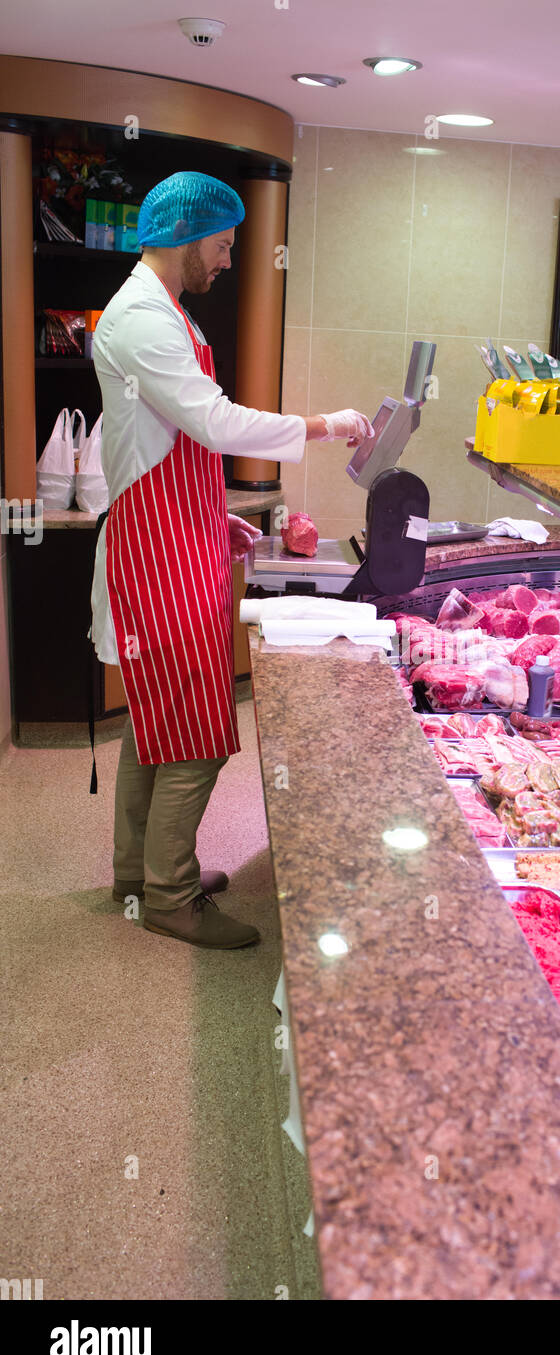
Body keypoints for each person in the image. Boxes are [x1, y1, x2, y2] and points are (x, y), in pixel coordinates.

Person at [89, 171, 373, 950]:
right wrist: (323, 424)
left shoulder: (166, 312)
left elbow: (171, 438)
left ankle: (139, 874)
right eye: (220, 246)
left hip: (179, 533)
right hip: (157, 549)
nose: (225, 262)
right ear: (183, 238)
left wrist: (215, 521)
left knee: (158, 718)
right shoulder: (142, 318)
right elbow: (210, 423)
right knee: (198, 731)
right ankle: (171, 897)